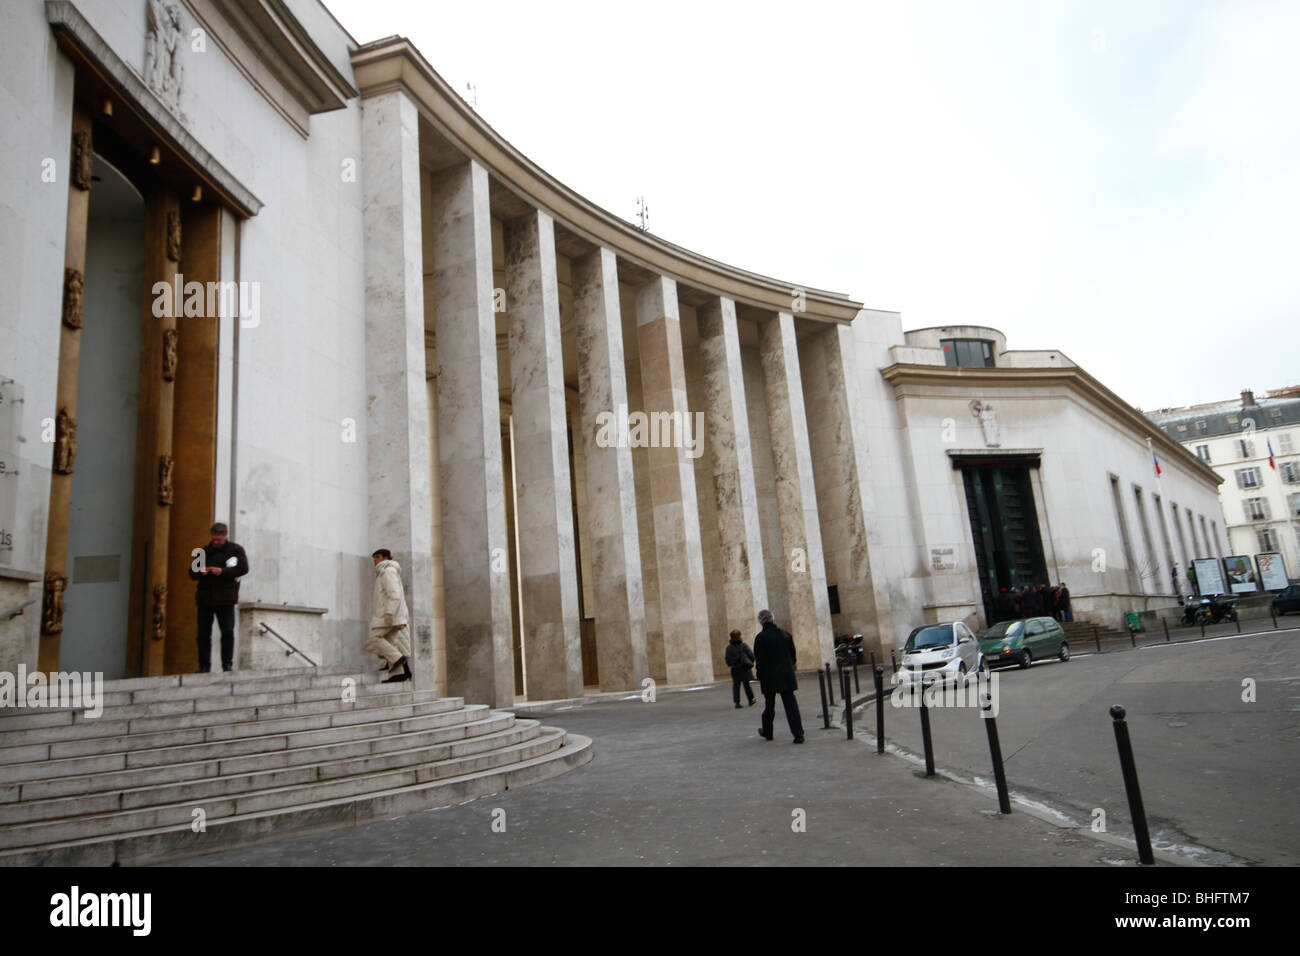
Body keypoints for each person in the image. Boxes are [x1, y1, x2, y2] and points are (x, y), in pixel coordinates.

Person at [188, 522, 248, 673]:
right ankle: (204, 666)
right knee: (203, 634)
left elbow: (243, 569)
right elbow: (191, 572)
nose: (216, 543)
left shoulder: (235, 550)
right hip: (205, 599)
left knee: (227, 632)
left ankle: (227, 664)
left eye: (219, 540)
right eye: (214, 539)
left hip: (226, 598)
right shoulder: (203, 551)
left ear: (225, 536)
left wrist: (222, 571)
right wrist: (200, 571)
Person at [753, 609, 804, 744]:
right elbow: (793, 656)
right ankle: (798, 734)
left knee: (769, 705)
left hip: (769, 676)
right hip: (786, 675)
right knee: (790, 705)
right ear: (773, 619)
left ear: (761, 622)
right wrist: (789, 667)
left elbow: (759, 659)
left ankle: (768, 732)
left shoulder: (760, 638)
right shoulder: (785, 635)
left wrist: (759, 674)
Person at [366, 549, 412, 683]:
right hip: (390, 615)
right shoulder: (384, 572)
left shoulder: (387, 572)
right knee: (391, 642)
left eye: (378, 557)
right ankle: (398, 674)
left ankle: (399, 659)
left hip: (388, 616)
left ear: (386, 558)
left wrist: (389, 613)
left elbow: (394, 594)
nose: (375, 560)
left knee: (375, 638)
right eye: (374, 557)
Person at [724, 629, 756, 708]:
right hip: (744, 668)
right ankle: (750, 699)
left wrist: (731, 664)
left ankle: (737, 702)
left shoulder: (729, 648)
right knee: (746, 684)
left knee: (736, 685)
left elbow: (727, 659)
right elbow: (751, 655)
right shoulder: (743, 646)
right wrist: (749, 661)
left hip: (735, 668)